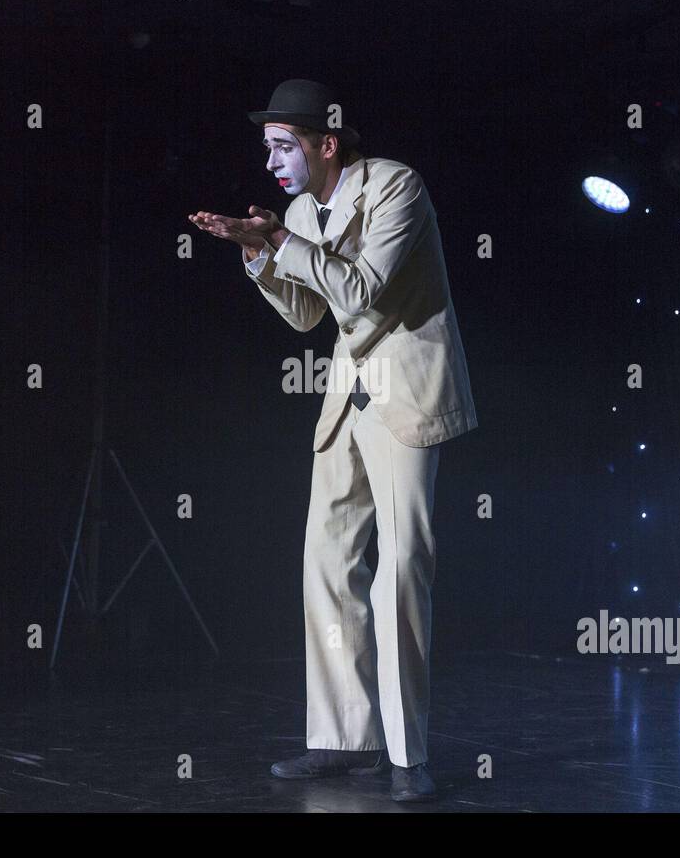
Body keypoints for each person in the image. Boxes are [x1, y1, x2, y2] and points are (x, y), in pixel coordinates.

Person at [188, 78, 477, 802]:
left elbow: (361, 291)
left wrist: (282, 239)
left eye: (284, 147)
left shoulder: (396, 187)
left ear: (327, 142)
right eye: (267, 150)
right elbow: (305, 315)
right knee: (325, 560)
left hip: (405, 390)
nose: (273, 163)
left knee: (402, 565)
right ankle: (346, 740)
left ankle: (409, 756)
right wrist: (258, 255)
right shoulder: (296, 210)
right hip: (346, 399)